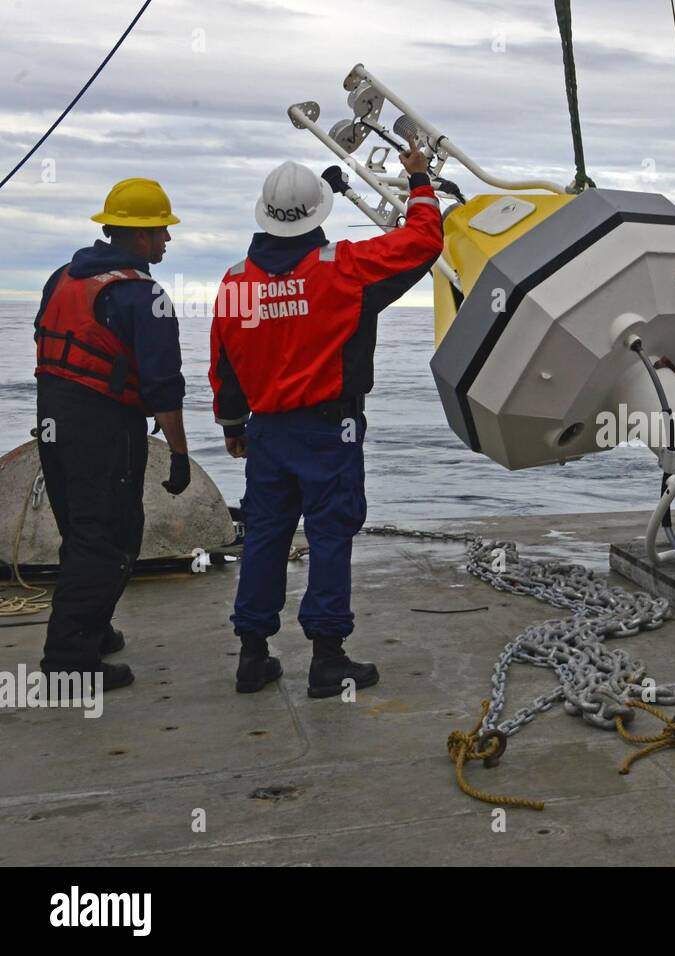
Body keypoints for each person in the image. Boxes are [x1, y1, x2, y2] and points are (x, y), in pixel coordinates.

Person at [209, 144, 444, 696]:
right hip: (329, 430)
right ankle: (327, 659)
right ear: (319, 212)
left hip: (267, 432)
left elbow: (224, 363)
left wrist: (232, 425)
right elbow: (424, 242)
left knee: (266, 537)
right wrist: (419, 182)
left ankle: (252, 656)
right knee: (330, 536)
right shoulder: (346, 268)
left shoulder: (237, 281)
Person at [33, 178, 191, 691]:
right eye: (161, 232)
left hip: (55, 420)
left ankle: (91, 630)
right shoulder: (143, 296)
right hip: (104, 427)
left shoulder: (62, 277)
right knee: (110, 537)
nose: (166, 241)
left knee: (81, 530)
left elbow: (48, 339)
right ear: (140, 237)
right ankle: (69, 661)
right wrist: (180, 454)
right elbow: (164, 388)